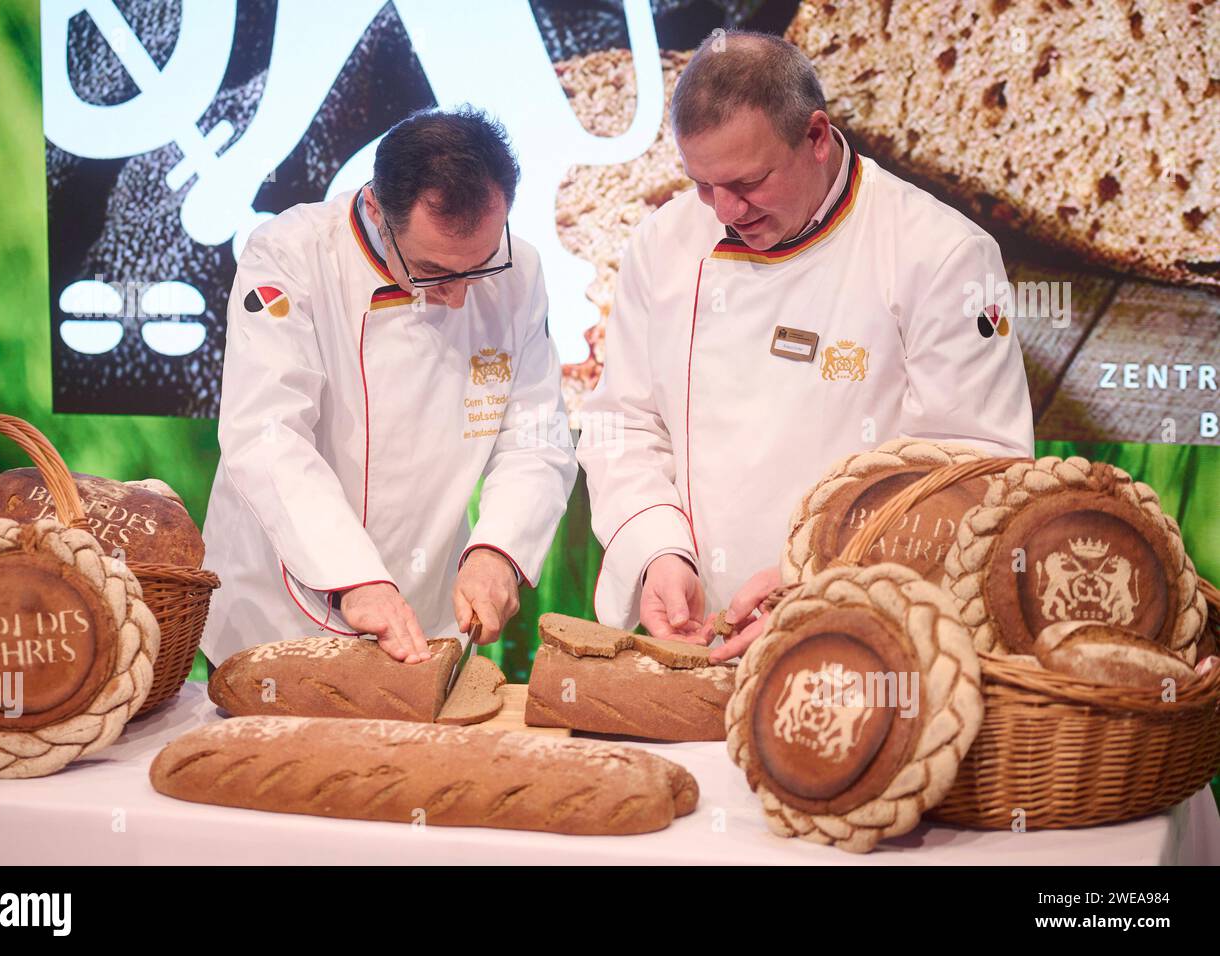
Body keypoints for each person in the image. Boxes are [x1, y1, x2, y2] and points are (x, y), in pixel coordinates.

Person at [575, 30, 1034, 663]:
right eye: (702, 184)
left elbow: (977, 472)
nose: (725, 211)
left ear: (816, 137)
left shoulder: (943, 254)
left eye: (748, 182)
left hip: (866, 635)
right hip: (696, 629)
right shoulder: (664, 242)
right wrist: (658, 548)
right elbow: (622, 421)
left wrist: (828, 579)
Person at [201, 107, 576, 667]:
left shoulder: (519, 270)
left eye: (481, 267)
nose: (457, 297)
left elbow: (535, 437)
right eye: (432, 271)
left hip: (427, 602)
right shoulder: (290, 255)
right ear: (377, 208)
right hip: (282, 604)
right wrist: (354, 578)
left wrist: (498, 551)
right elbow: (268, 434)